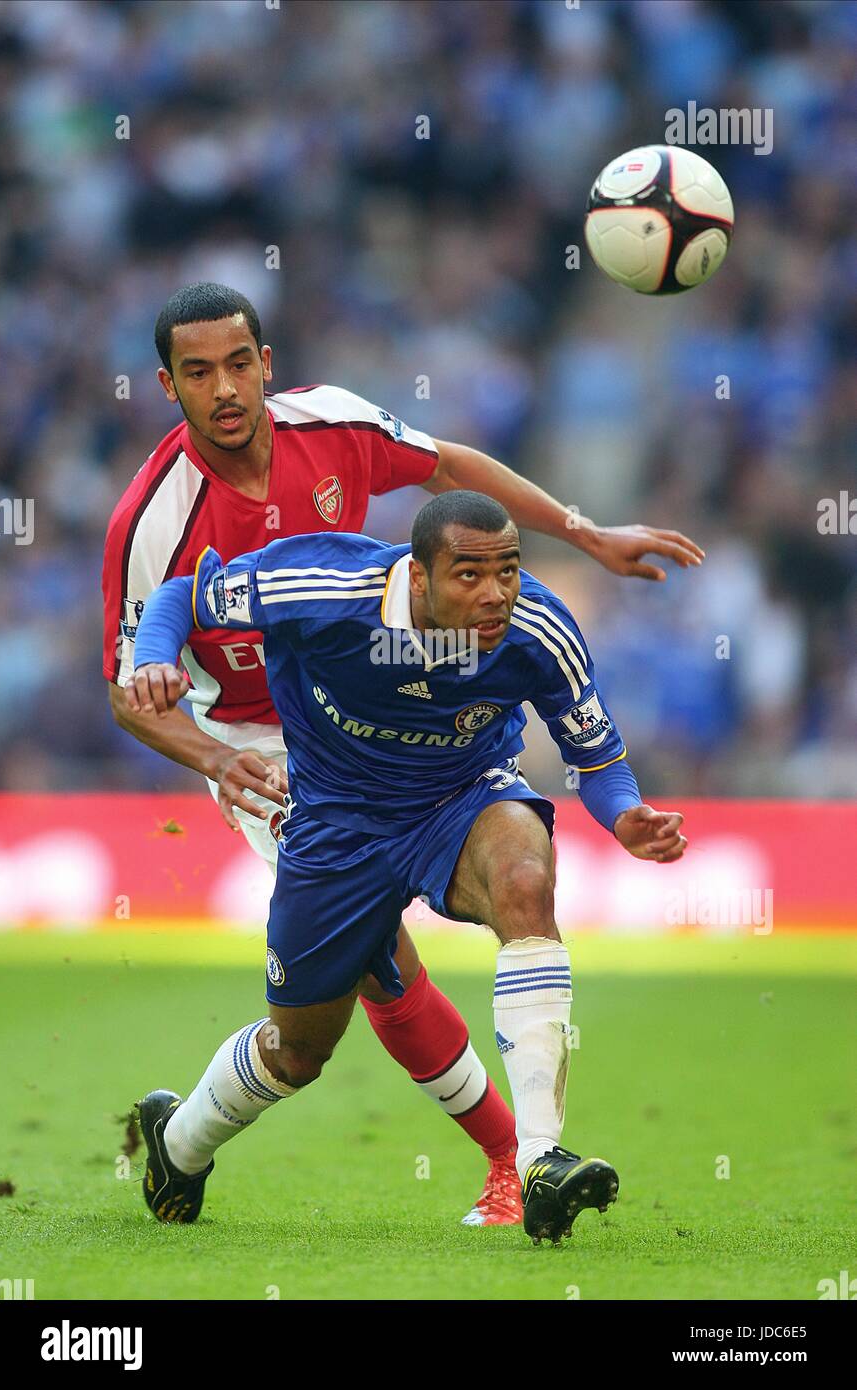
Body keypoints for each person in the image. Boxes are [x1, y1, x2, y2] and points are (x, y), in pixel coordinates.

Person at [104, 281, 701, 1226]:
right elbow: (135, 682)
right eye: (197, 372)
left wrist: (582, 533)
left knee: (521, 879)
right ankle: (182, 1146)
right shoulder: (155, 522)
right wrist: (209, 751)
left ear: (268, 364)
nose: (224, 388)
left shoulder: (339, 435)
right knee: (338, 1002)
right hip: (265, 744)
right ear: (167, 386)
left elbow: (451, 467)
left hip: (438, 769)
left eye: (238, 363)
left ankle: (526, 1161)